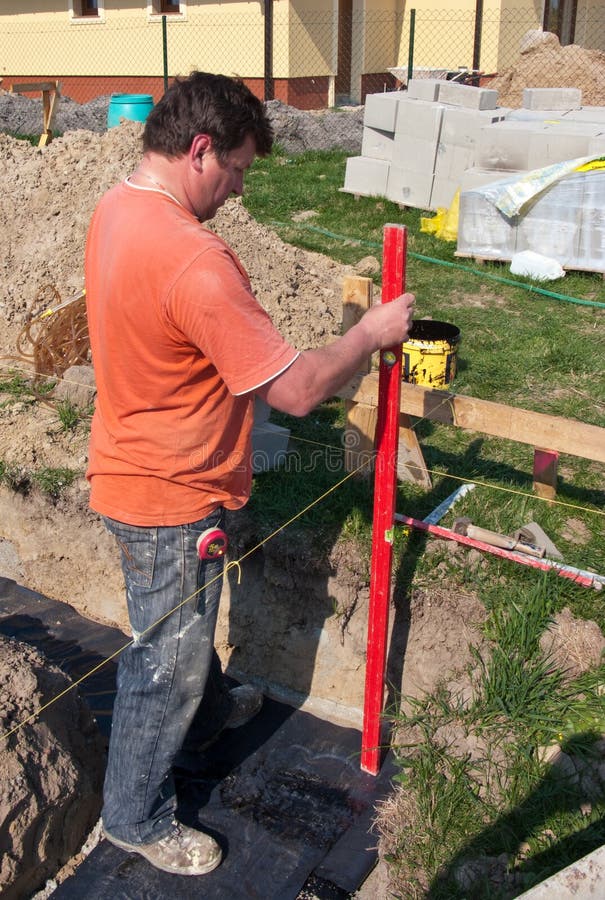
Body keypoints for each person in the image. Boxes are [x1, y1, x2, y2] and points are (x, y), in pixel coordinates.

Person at [85, 71, 414, 878]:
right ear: (200, 150)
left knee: (184, 632)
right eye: (234, 170)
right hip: (171, 496)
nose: (237, 189)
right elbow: (298, 391)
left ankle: (204, 719)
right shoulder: (194, 260)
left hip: (132, 462)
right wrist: (370, 333)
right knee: (163, 663)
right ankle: (134, 816)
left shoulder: (117, 206)